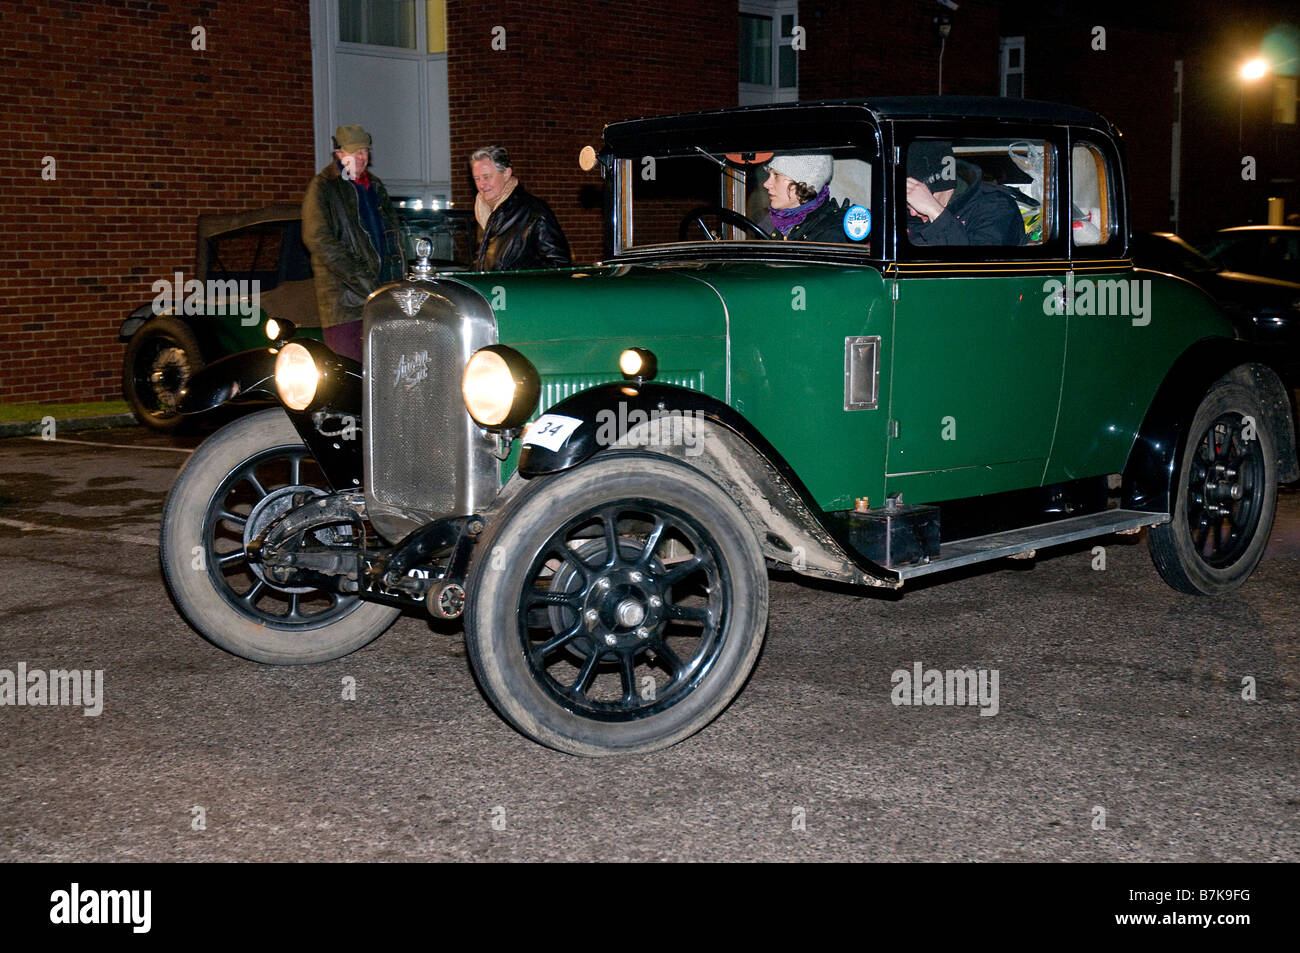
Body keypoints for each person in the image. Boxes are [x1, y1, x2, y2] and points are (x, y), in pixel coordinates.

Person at [301, 124, 405, 362]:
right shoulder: (324, 187)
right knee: (350, 376)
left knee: (386, 372)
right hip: (345, 305)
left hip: (383, 300)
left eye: (364, 151)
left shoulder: (375, 186)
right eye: (354, 151)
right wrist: (364, 282)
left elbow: (393, 237)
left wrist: (395, 283)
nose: (361, 157)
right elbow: (319, 240)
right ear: (339, 153)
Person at [905, 141, 1027, 246]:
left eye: (922, 198)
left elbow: (976, 269)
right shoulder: (908, 214)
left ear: (946, 186)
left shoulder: (996, 208)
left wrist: (935, 212)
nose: (913, 212)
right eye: (907, 204)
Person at [470, 145, 571, 270]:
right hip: (492, 289)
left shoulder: (535, 212)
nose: (481, 184)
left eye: (487, 177)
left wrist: (517, 279)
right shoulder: (483, 213)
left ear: (506, 173)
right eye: (477, 179)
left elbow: (559, 264)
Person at [761, 154, 845, 241]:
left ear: (805, 183)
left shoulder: (831, 231)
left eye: (776, 175)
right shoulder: (771, 221)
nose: (766, 184)